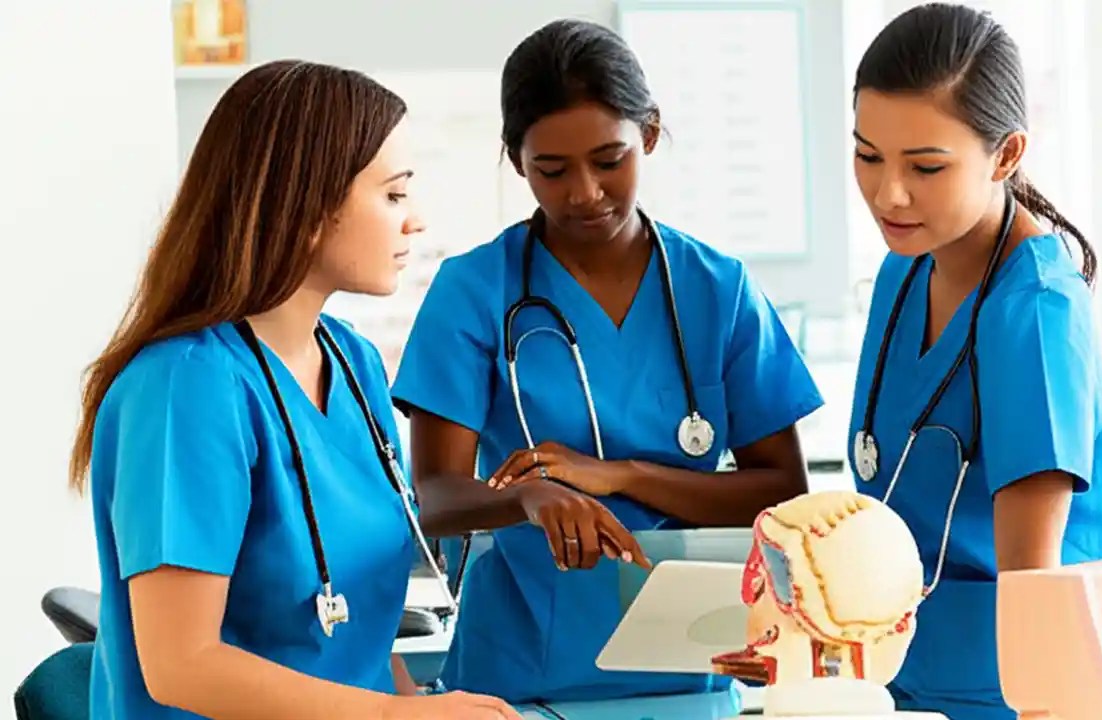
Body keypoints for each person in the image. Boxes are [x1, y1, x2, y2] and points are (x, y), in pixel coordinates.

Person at [390, 18, 825, 706]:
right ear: (516, 160)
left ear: (648, 135)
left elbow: (781, 488)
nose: (584, 193)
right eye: (552, 171)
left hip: (693, 670)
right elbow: (436, 498)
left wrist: (621, 475)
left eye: (609, 160)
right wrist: (526, 499)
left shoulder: (717, 289)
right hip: (520, 677)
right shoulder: (474, 291)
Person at [69, 59, 519, 720]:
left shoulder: (354, 360)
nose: (415, 221)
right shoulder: (185, 387)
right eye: (393, 195)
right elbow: (180, 665)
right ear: (307, 207)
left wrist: (418, 702)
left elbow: (347, 633)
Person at [845, 5, 1102, 720]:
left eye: (925, 166)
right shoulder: (906, 270)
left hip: (1006, 693)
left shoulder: (1033, 309)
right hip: (887, 679)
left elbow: (1033, 584)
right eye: (868, 156)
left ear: (1005, 154)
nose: (887, 194)